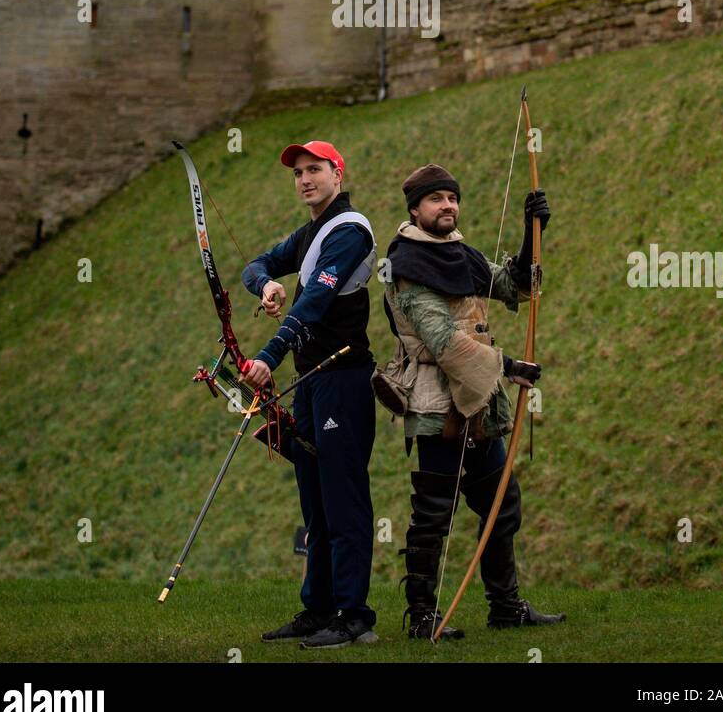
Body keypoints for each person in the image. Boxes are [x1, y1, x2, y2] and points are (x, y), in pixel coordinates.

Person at [378, 162, 566, 639]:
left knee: (503, 504)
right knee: (433, 515)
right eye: (437, 199)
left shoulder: (464, 254)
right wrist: (508, 368)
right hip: (435, 407)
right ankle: (422, 616)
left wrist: (531, 231)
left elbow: (517, 287)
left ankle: (505, 607)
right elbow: (440, 340)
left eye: (452, 198)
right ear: (415, 208)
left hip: (477, 405)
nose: (448, 206)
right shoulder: (405, 265)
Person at [241, 139, 378, 649]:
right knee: (314, 501)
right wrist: (266, 288)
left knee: (343, 499)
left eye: (314, 169)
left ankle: (353, 614)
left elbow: (316, 301)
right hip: (311, 382)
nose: (304, 179)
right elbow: (255, 264)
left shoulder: (349, 231)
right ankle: (318, 608)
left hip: (342, 379)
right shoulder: (309, 234)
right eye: (298, 172)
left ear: (337, 174)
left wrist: (268, 356)